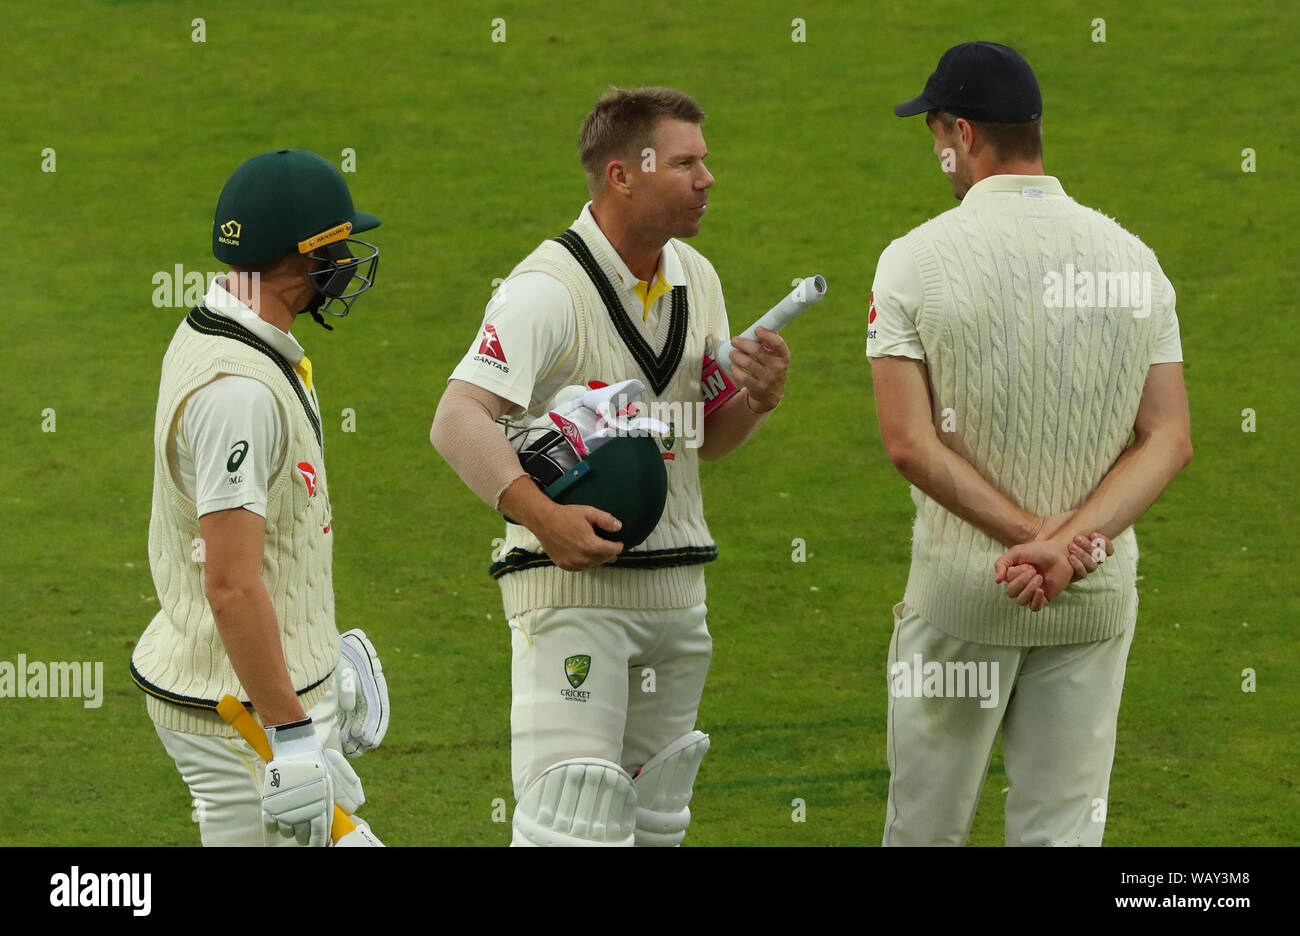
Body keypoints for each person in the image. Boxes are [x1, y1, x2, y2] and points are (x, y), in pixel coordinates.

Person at [431, 86, 791, 846]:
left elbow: (704, 439)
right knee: (574, 827)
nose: (707, 179)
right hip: (575, 598)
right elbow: (457, 419)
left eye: (706, 160)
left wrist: (755, 400)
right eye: (686, 162)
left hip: (678, 596)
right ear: (623, 175)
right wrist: (542, 516)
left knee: (657, 825)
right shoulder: (545, 291)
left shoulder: (698, 276)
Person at [867, 43, 1191, 846]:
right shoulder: (1134, 261)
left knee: (924, 830)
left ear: (964, 135)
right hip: (1091, 595)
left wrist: (1029, 544)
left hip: (964, 597)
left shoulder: (914, 261)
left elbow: (911, 445)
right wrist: (1072, 549)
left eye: (935, 131)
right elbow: (1168, 438)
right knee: (1063, 832)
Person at [131, 149, 389, 846]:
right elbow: (232, 585)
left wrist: (319, 663)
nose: (346, 257)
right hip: (241, 719)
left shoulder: (239, 335)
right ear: (298, 258)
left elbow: (273, 545)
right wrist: (293, 733)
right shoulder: (238, 392)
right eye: (335, 244)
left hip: (259, 702)